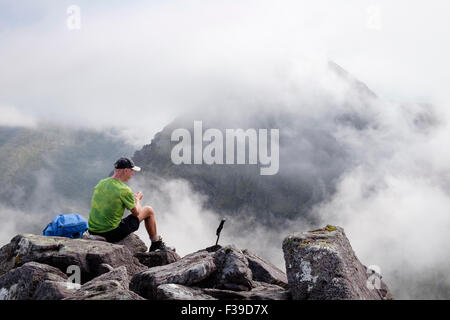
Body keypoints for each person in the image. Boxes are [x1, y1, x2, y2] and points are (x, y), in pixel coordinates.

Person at [88, 157, 166, 251]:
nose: (133, 174)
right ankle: (156, 243)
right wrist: (137, 199)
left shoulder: (101, 183)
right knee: (148, 210)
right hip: (110, 234)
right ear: (125, 170)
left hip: (92, 231)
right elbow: (136, 213)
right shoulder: (123, 190)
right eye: (131, 171)